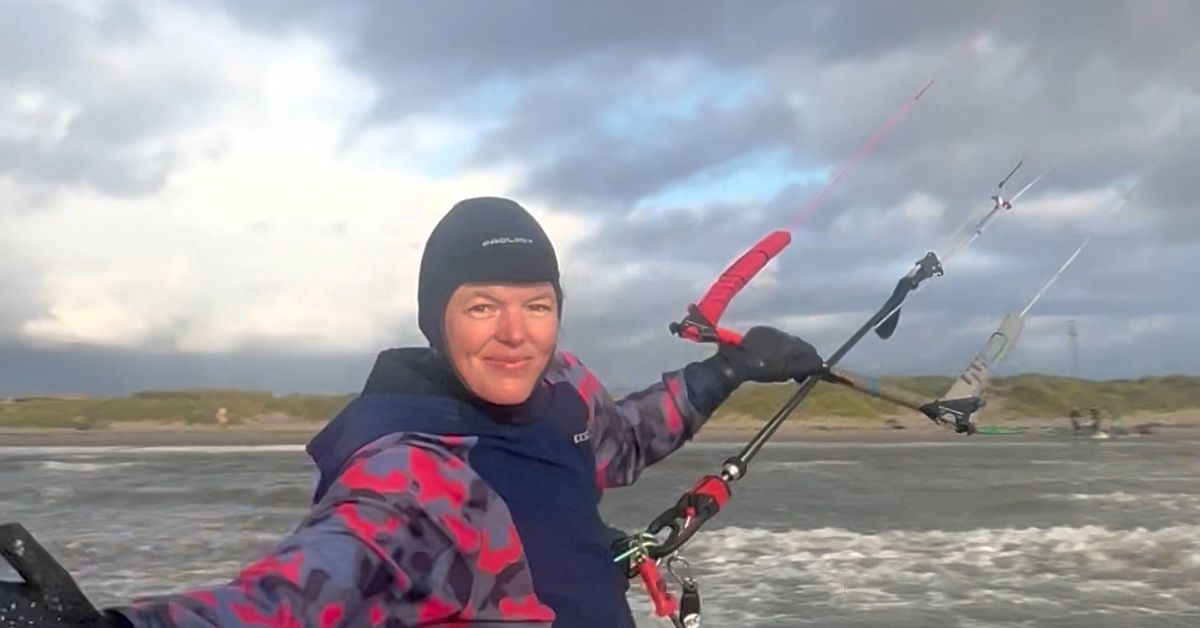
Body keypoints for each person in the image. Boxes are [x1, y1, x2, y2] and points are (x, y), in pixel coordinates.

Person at [1, 197, 824, 627]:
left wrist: (724, 371)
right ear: (436, 318)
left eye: (536, 306)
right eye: (481, 307)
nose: (514, 334)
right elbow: (305, 590)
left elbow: (623, 443)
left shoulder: (564, 387)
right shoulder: (412, 467)